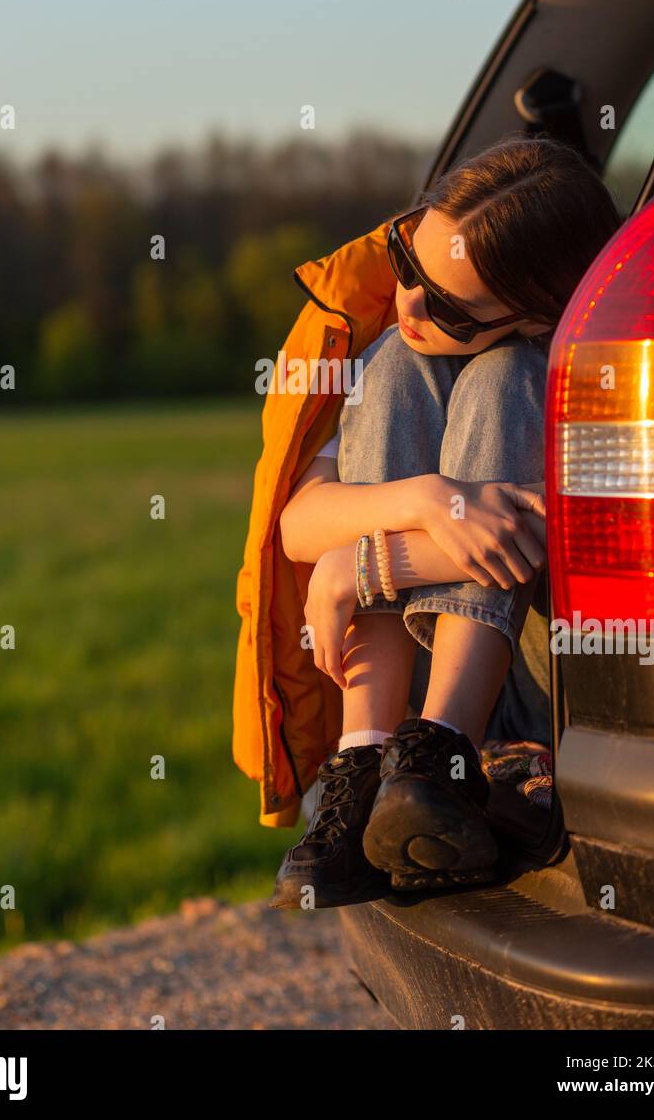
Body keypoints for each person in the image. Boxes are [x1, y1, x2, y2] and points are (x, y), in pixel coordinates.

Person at [260, 136, 621, 906]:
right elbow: (299, 525)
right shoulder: (405, 359)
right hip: (413, 697)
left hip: (540, 693)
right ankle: (370, 762)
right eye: (408, 264)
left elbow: (536, 531)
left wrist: (361, 565)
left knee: (500, 380)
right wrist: (427, 499)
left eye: (453, 305)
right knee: (392, 363)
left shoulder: (558, 371)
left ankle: (442, 762)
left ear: (540, 313)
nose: (411, 304)